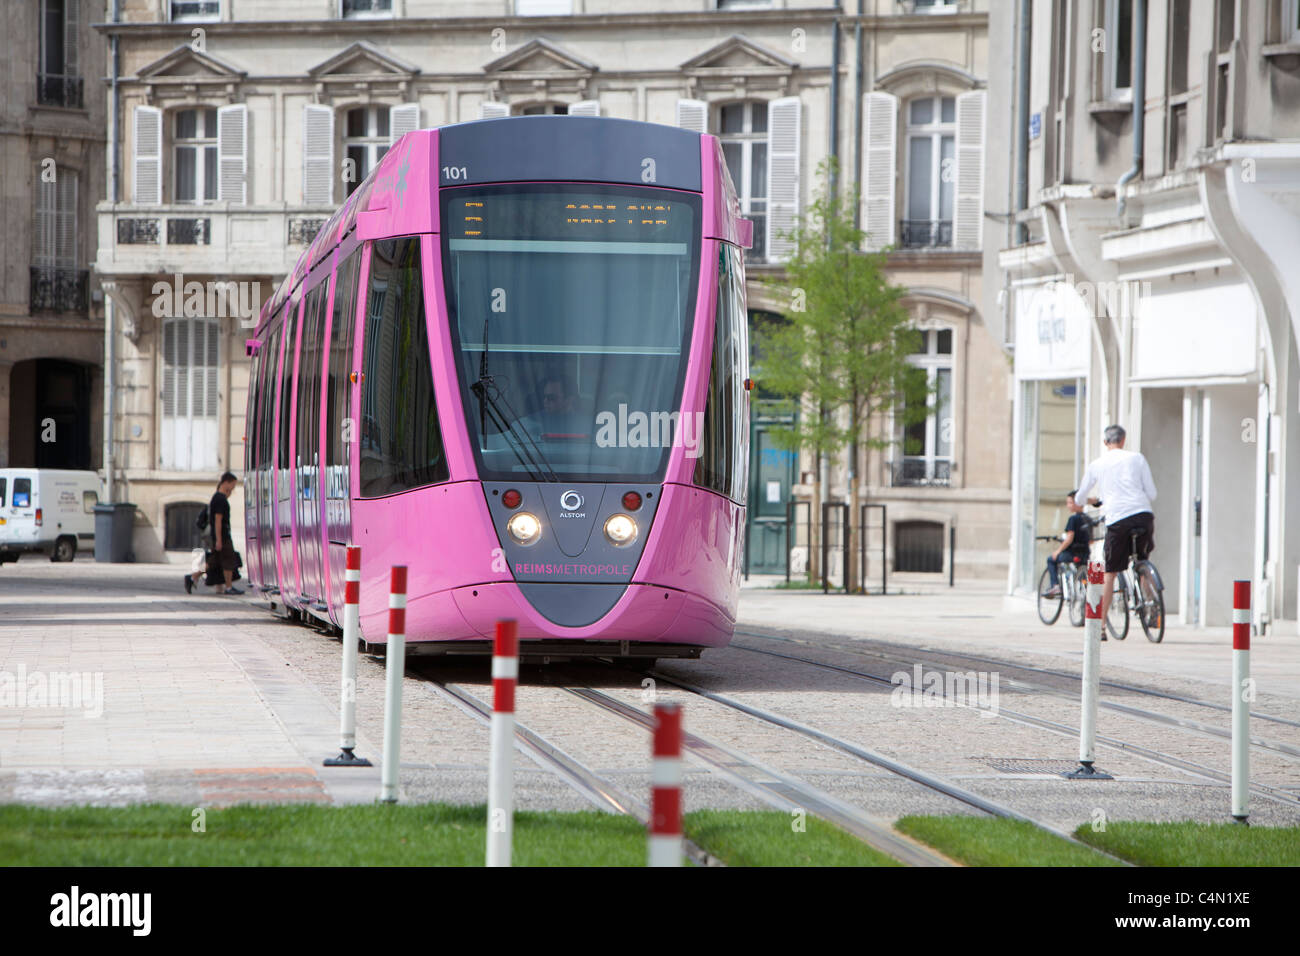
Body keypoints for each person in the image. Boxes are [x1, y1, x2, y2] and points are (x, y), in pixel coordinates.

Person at [1074, 424, 1156, 628]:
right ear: (1123, 440)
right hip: (1143, 515)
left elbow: (1079, 497)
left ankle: (1101, 626)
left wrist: (1093, 500)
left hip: (1117, 519)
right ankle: (1153, 606)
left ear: (1105, 442)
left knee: (1110, 572)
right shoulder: (1137, 458)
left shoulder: (1097, 464)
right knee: (1143, 559)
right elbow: (1152, 493)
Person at [185, 471, 243, 595]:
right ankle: (228, 587)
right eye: (233, 484)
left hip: (218, 535)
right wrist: (219, 540)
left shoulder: (216, 497)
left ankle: (192, 578)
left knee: (213, 562)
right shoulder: (220, 499)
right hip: (222, 535)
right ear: (226, 483)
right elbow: (218, 520)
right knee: (229, 560)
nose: (233, 488)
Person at [1042, 490, 1092, 599]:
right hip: (1085, 553)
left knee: (1051, 559)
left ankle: (1055, 586)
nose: (1068, 505)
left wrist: (1058, 551)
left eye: (1070, 502)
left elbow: (1069, 538)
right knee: (1084, 575)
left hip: (1072, 553)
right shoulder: (1088, 519)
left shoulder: (1073, 519)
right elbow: (1091, 540)